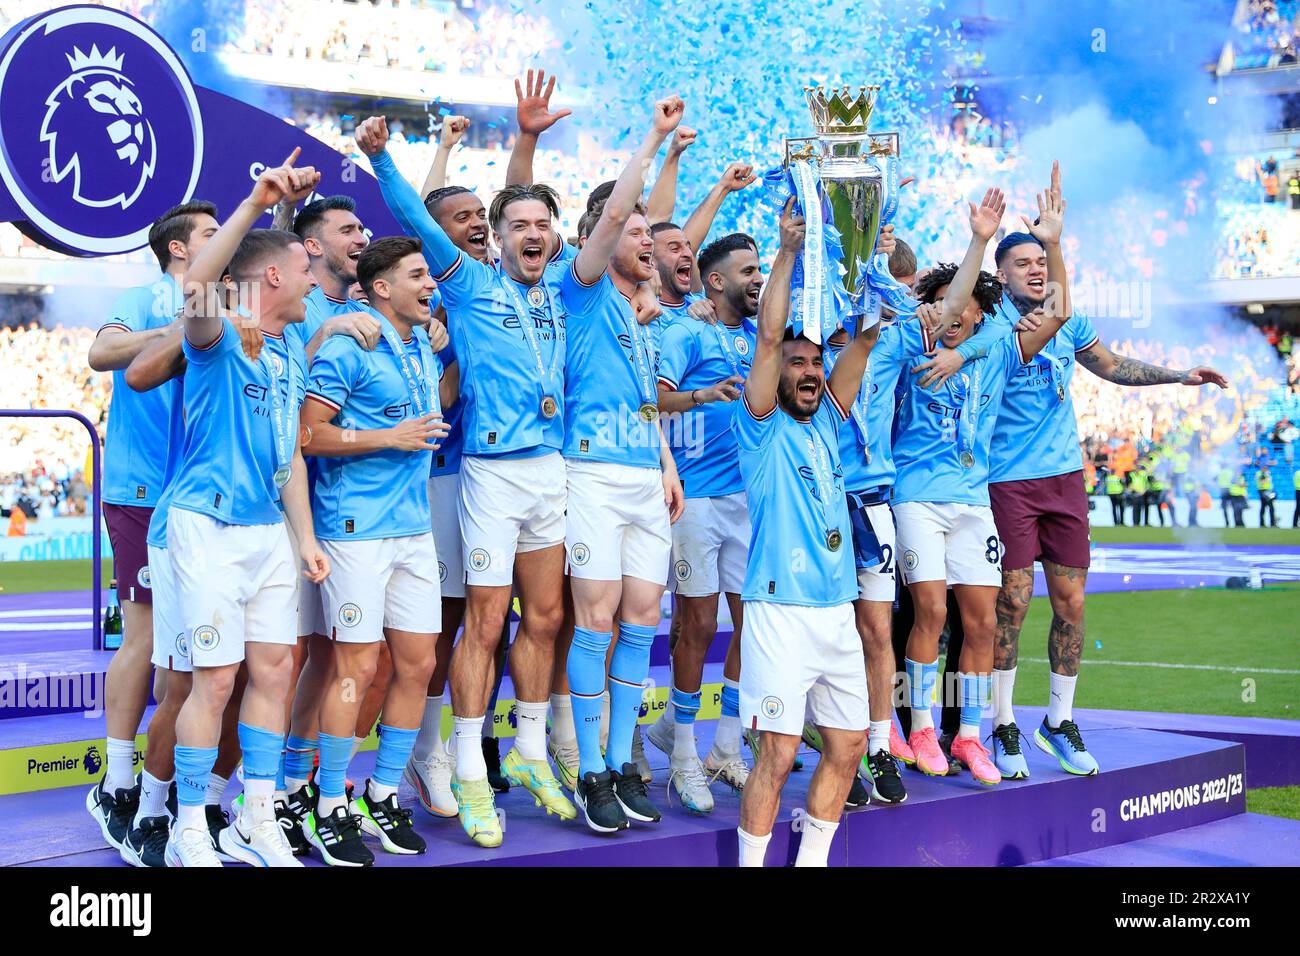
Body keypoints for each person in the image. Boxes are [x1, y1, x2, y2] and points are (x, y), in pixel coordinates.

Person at [357, 114, 576, 849]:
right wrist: (387, 159)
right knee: (478, 623)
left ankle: (533, 750)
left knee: (544, 619)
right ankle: (464, 769)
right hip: (479, 473)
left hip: (552, 468)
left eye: (539, 225)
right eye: (509, 225)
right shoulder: (470, 282)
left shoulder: (559, 285)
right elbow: (419, 217)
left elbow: (535, 209)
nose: (526, 233)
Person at [165, 155, 331, 867]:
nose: (313, 281)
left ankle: (253, 819)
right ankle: (188, 825)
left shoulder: (289, 345)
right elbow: (201, 283)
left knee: (273, 672)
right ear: (271, 278)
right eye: (303, 270)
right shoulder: (218, 336)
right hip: (204, 525)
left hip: (267, 532)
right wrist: (258, 200)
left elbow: (290, 454)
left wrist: (306, 537)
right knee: (217, 680)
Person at [893, 181, 1075, 787]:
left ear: (980, 309)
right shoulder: (913, 342)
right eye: (940, 301)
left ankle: (969, 735)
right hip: (917, 496)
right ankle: (920, 725)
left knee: (982, 624)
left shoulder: (996, 348)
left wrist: (1052, 246)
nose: (950, 311)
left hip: (975, 502)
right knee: (932, 613)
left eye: (961, 302)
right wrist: (979, 240)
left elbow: (1059, 313)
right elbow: (933, 315)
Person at [297, 236, 456, 865]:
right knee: (355, 668)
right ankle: (329, 803)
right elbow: (307, 434)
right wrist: (388, 437)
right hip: (354, 530)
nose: (430, 285)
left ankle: (382, 793)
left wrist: (450, 350)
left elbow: (433, 405)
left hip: (413, 531)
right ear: (381, 287)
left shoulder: (420, 343)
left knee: (417, 664)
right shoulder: (346, 346)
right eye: (417, 276)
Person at [733, 199, 879, 868]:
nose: (811, 371)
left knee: (849, 748)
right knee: (780, 753)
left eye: (816, 362)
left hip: (836, 613)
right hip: (780, 610)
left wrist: (868, 261)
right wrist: (788, 250)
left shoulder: (825, 420)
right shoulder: (760, 425)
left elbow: (864, 345)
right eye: (798, 363)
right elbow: (767, 339)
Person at [561, 95, 688, 834]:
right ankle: (589, 771)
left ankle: (619, 761)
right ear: (603, 238)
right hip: (590, 476)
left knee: (643, 619)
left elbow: (644, 403)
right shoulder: (582, 295)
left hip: (644, 478)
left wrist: (667, 460)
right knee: (598, 618)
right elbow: (614, 215)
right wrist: (655, 138)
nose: (644, 239)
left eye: (649, 233)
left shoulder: (647, 317)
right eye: (634, 230)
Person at [84, 200, 219, 853]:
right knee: (142, 635)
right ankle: (114, 782)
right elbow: (99, 351)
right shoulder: (146, 297)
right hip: (142, 489)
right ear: (176, 250)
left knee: (186, 656)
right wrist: (174, 328)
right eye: (212, 235)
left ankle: (172, 786)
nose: (225, 243)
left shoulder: (227, 301)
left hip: (200, 499)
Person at [648, 232, 761, 811]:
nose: (758, 278)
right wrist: (704, 395)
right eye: (748, 271)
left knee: (752, 623)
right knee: (696, 625)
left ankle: (725, 742)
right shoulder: (683, 331)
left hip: (750, 499)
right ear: (716, 281)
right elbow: (653, 402)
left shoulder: (755, 335)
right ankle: (684, 756)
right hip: (694, 499)